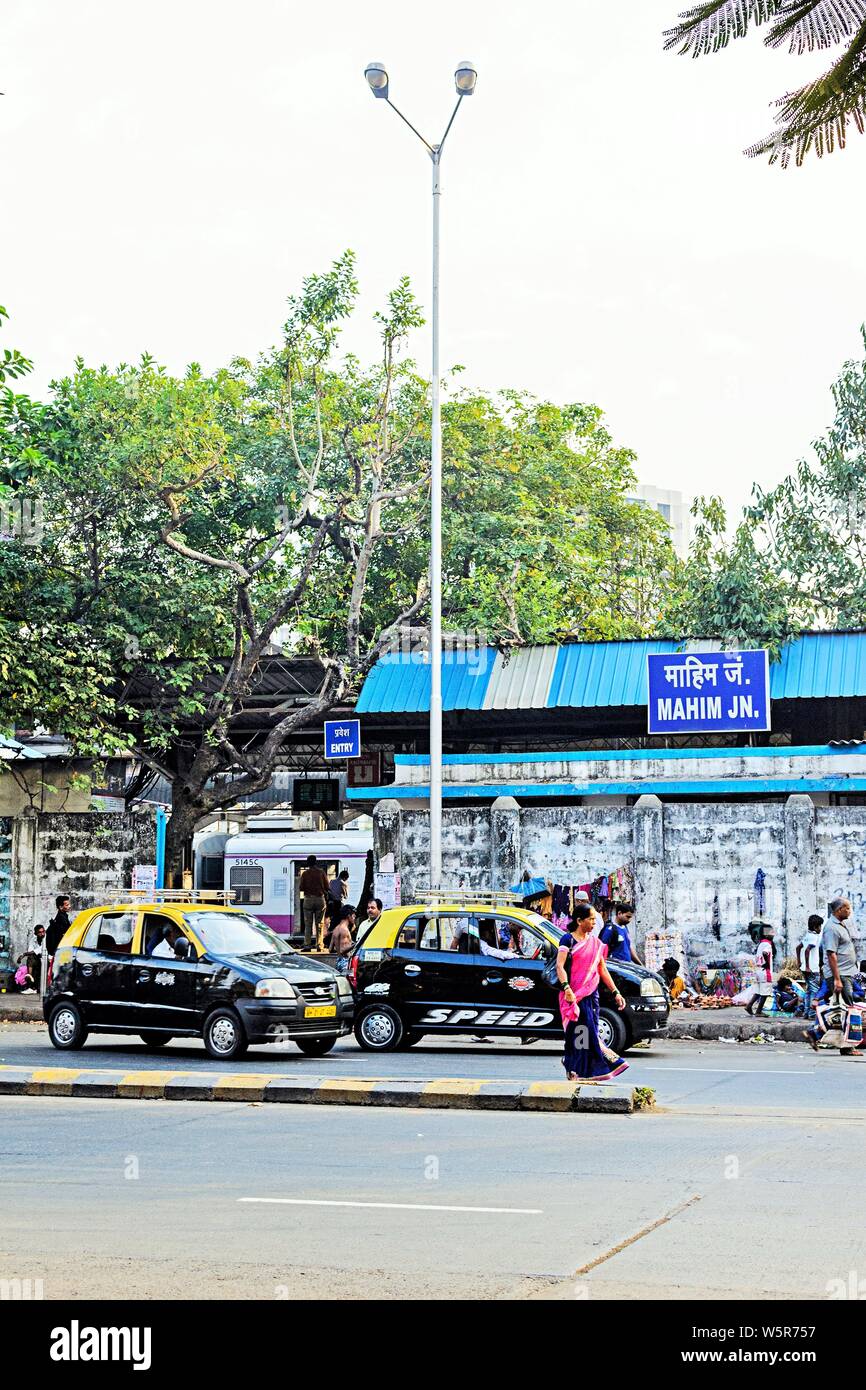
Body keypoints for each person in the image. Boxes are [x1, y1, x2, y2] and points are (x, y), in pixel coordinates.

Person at [556, 903, 628, 1082]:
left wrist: (616, 992)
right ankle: (580, 1067)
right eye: (591, 919)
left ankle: (576, 1068)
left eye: (595, 919)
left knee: (587, 1034)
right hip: (573, 997)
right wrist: (567, 988)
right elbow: (559, 966)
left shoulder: (596, 944)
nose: (594, 923)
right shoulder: (568, 940)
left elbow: (602, 969)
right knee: (580, 1033)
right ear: (580, 921)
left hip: (590, 997)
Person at [806, 898, 859, 1054]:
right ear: (839, 909)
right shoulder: (831, 928)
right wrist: (837, 979)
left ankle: (814, 1033)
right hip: (840, 974)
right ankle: (847, 1047)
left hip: (845, 973)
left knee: (838, 1008)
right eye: (847, 908)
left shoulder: (840, 925)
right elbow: (831, 954)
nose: (849, 911)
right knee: (846, 1008)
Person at [299, 855, 329, 952]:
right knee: (319, 923)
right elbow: (327, 887)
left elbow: (301, 888)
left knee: (308, 923)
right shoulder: (321, 872)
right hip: (320, 899)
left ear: (308, 863)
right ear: (316, 862)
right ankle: (319, 945)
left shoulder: (305, 874)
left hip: (308, 899)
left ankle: (307, 945)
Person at [796, 914, 824, 1019]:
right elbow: (807, 950)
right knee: (815, 990)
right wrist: (808, 966)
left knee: (808, 990)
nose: (820, 928)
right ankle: (812, 1013)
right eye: (820, 926)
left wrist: (799, 961)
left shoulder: (807, 935)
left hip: (805, 968)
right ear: (816, 927)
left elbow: (798, 948)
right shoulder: (815, 937)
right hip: (812, 968)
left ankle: (806, 1013)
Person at [746, 924, 775, 1016]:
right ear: (766, 935)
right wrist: (767, 963)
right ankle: (759, 1011)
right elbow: (765, 953)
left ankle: (749, 1006)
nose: (773, 934)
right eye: (771, 932)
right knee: (765, 992)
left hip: (759, 970)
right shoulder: (768, 944)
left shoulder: (761, 943)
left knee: (759, 991)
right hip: (765, 971)